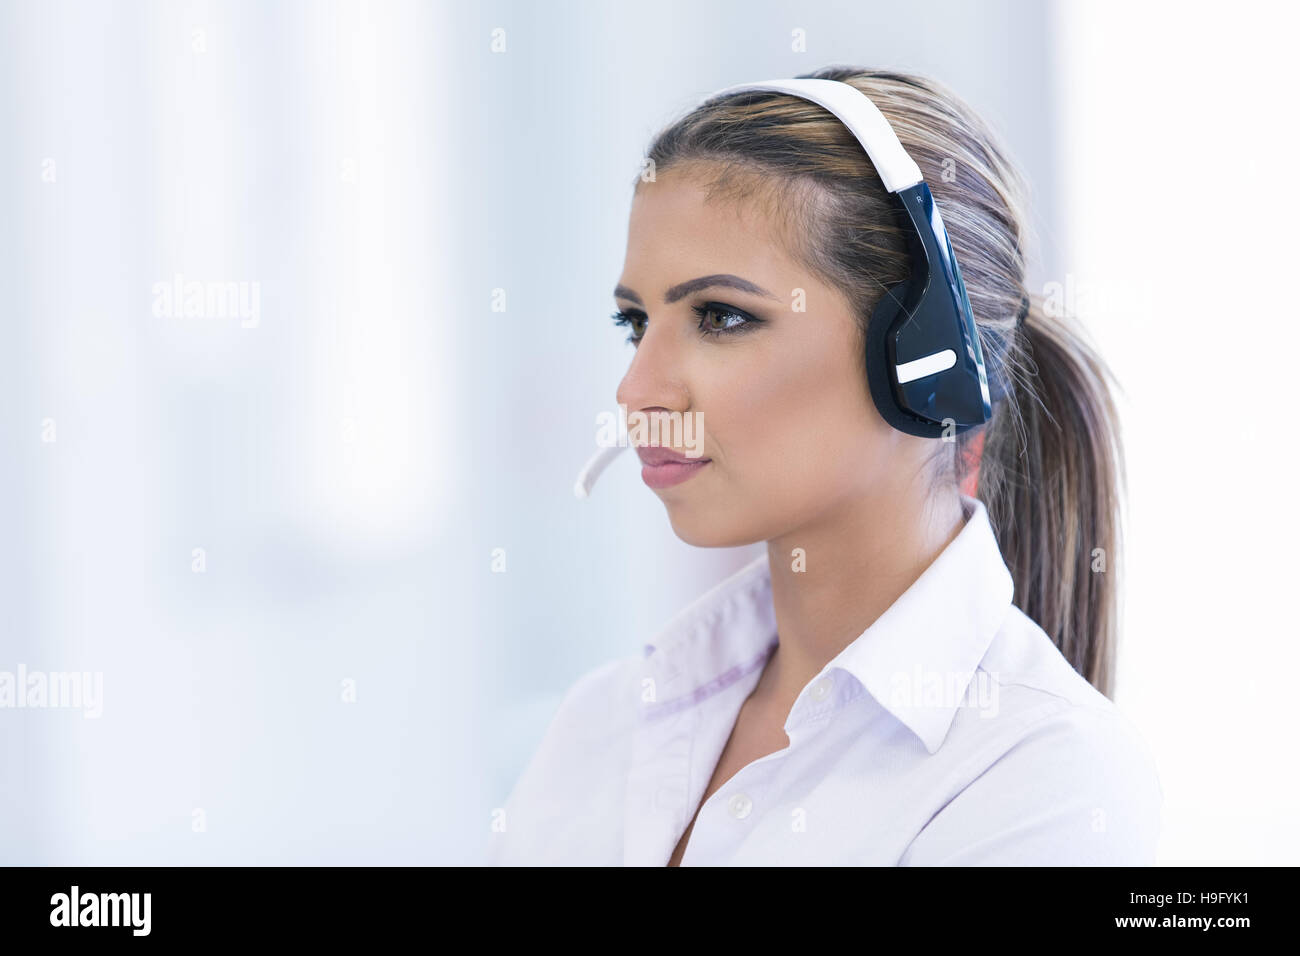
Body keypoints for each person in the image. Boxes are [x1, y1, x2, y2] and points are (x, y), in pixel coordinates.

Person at [487, 66, 1162, 866]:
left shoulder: (1043, 778)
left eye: (721, 316)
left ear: (925, 359)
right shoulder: (602, 725)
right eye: (636, 323)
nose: (637, 390)